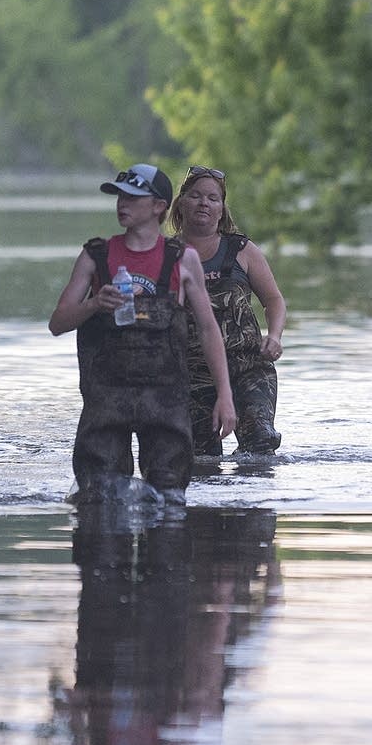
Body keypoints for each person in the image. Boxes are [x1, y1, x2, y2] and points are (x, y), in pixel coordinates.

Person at [49, 163, 237, 508]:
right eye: (120, 196)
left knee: (169, 505)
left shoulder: (183, 259)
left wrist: (224, 395)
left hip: (165, 403)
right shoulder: (95, 255)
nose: (123, 203)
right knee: (101, 501)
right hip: (105, 403)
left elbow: (210, 329)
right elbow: (58, 322)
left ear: (159, 206)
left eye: (133, 197)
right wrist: (94, 304)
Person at [171, 166, 287, 455]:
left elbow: (273, 300)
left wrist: (274, 336)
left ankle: (253, 496)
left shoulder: (243, 251)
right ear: (180, 204)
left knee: (260, 442)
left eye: (212, 198)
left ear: (222, 210)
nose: (203, 203)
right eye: (195, 196)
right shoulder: (166, 255)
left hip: (247, 367)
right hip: (191, 374)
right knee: (201, 459)